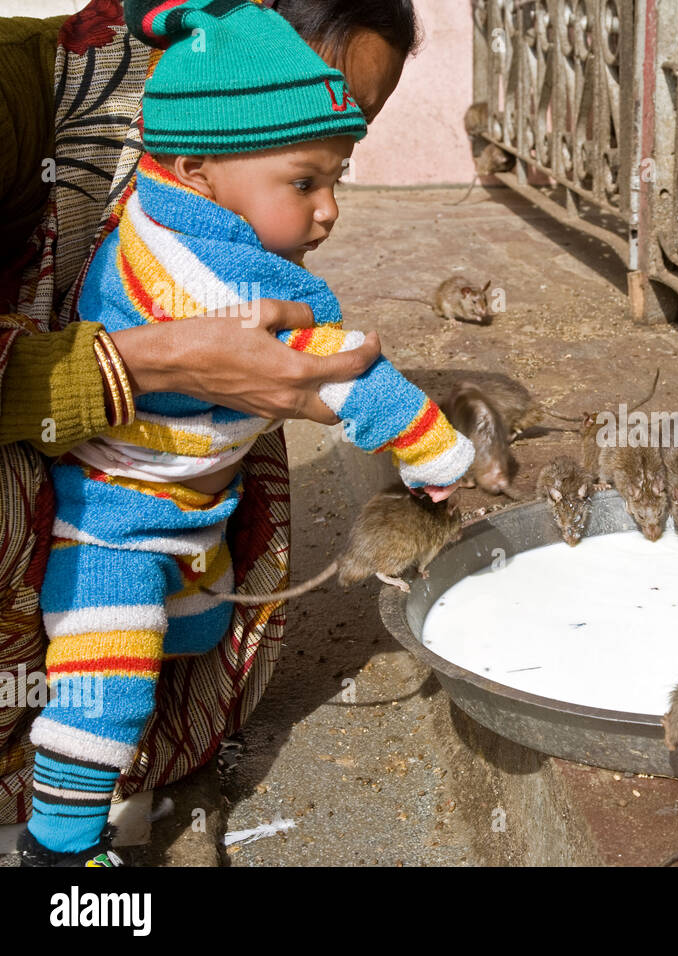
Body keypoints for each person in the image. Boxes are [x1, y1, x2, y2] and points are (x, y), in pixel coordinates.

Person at [0, 0, 422, 860]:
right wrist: (140, 365)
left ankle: (95, 763)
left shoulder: (218, 232)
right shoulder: (21, 96)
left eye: (348, 145)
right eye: (305, 154)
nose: (327, 199)